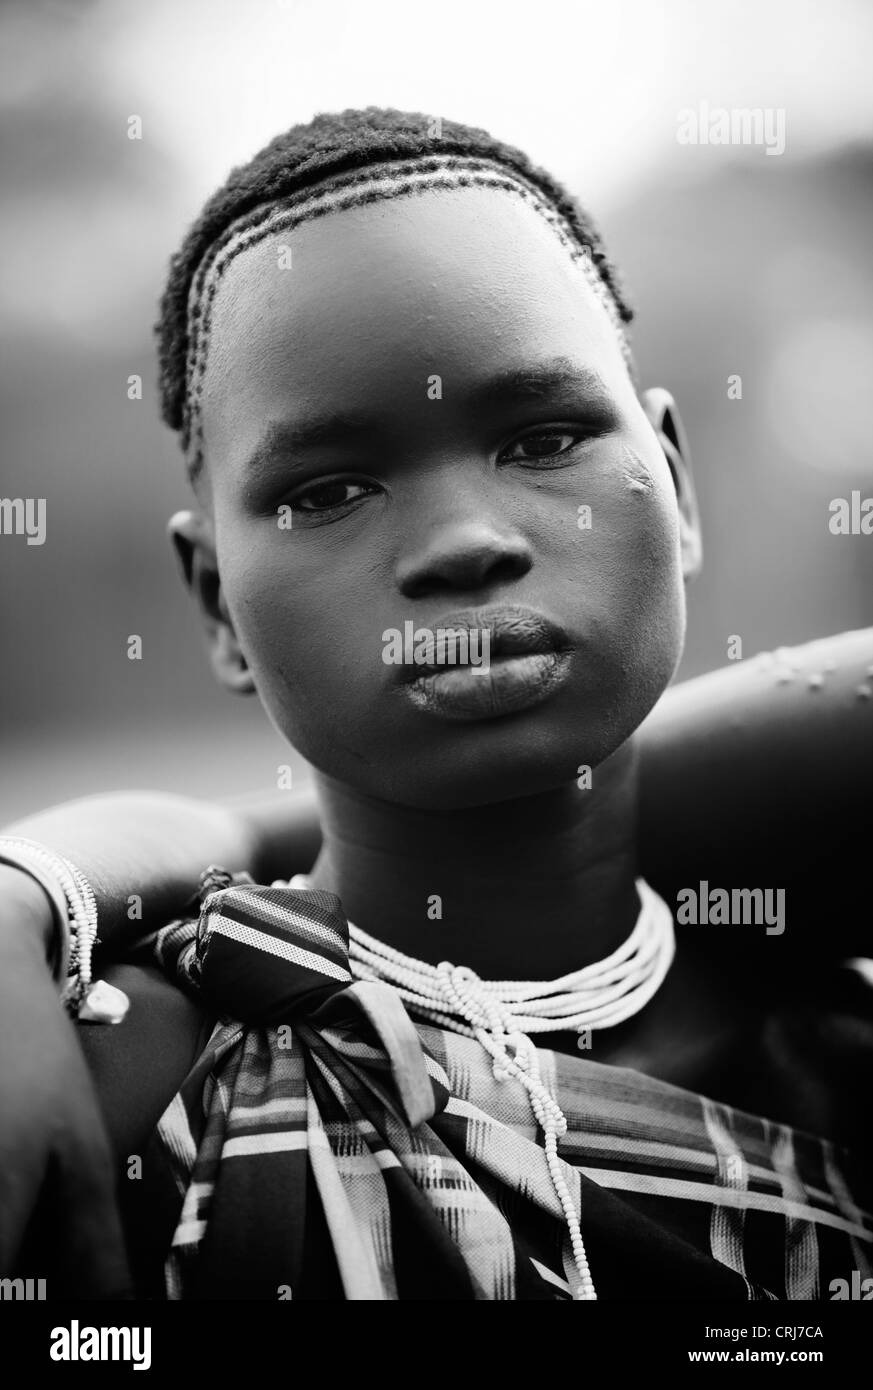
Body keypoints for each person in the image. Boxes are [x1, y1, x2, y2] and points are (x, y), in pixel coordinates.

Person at [1, 107, 871, 1300]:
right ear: (214, 605)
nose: (464, 541)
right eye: (331, 489)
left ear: (673, 487)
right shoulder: (117, 1088)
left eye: (547, 436)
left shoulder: (835, 1045)